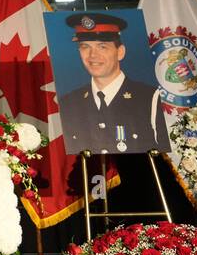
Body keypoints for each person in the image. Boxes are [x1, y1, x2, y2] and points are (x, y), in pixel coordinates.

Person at [57, 13, 169, 155]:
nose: (92, 55)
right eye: (85, 47)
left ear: (120, 52)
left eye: (102, 47)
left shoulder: (151, 98)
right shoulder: (69, 103)